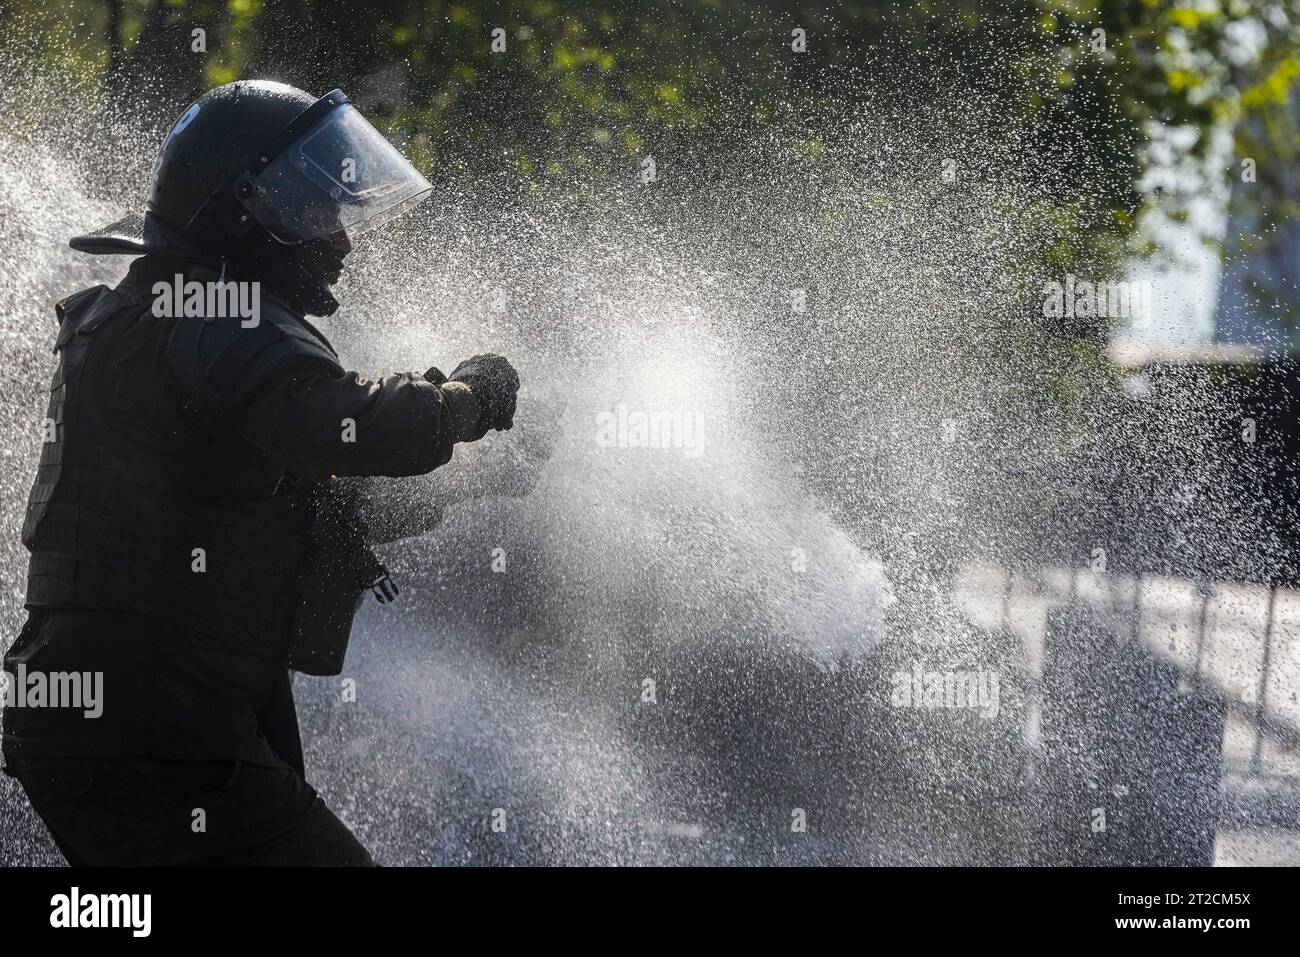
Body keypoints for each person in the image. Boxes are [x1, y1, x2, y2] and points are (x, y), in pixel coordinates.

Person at [0, 80, 520, 865]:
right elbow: (338, 423)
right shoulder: (211, 311)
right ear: (245, 211)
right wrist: (466, 399)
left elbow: (294, 499)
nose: (341, 242)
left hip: (113, 722)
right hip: (159, 731)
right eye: (317, 210)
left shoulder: (159, 314)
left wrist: (475, 475)